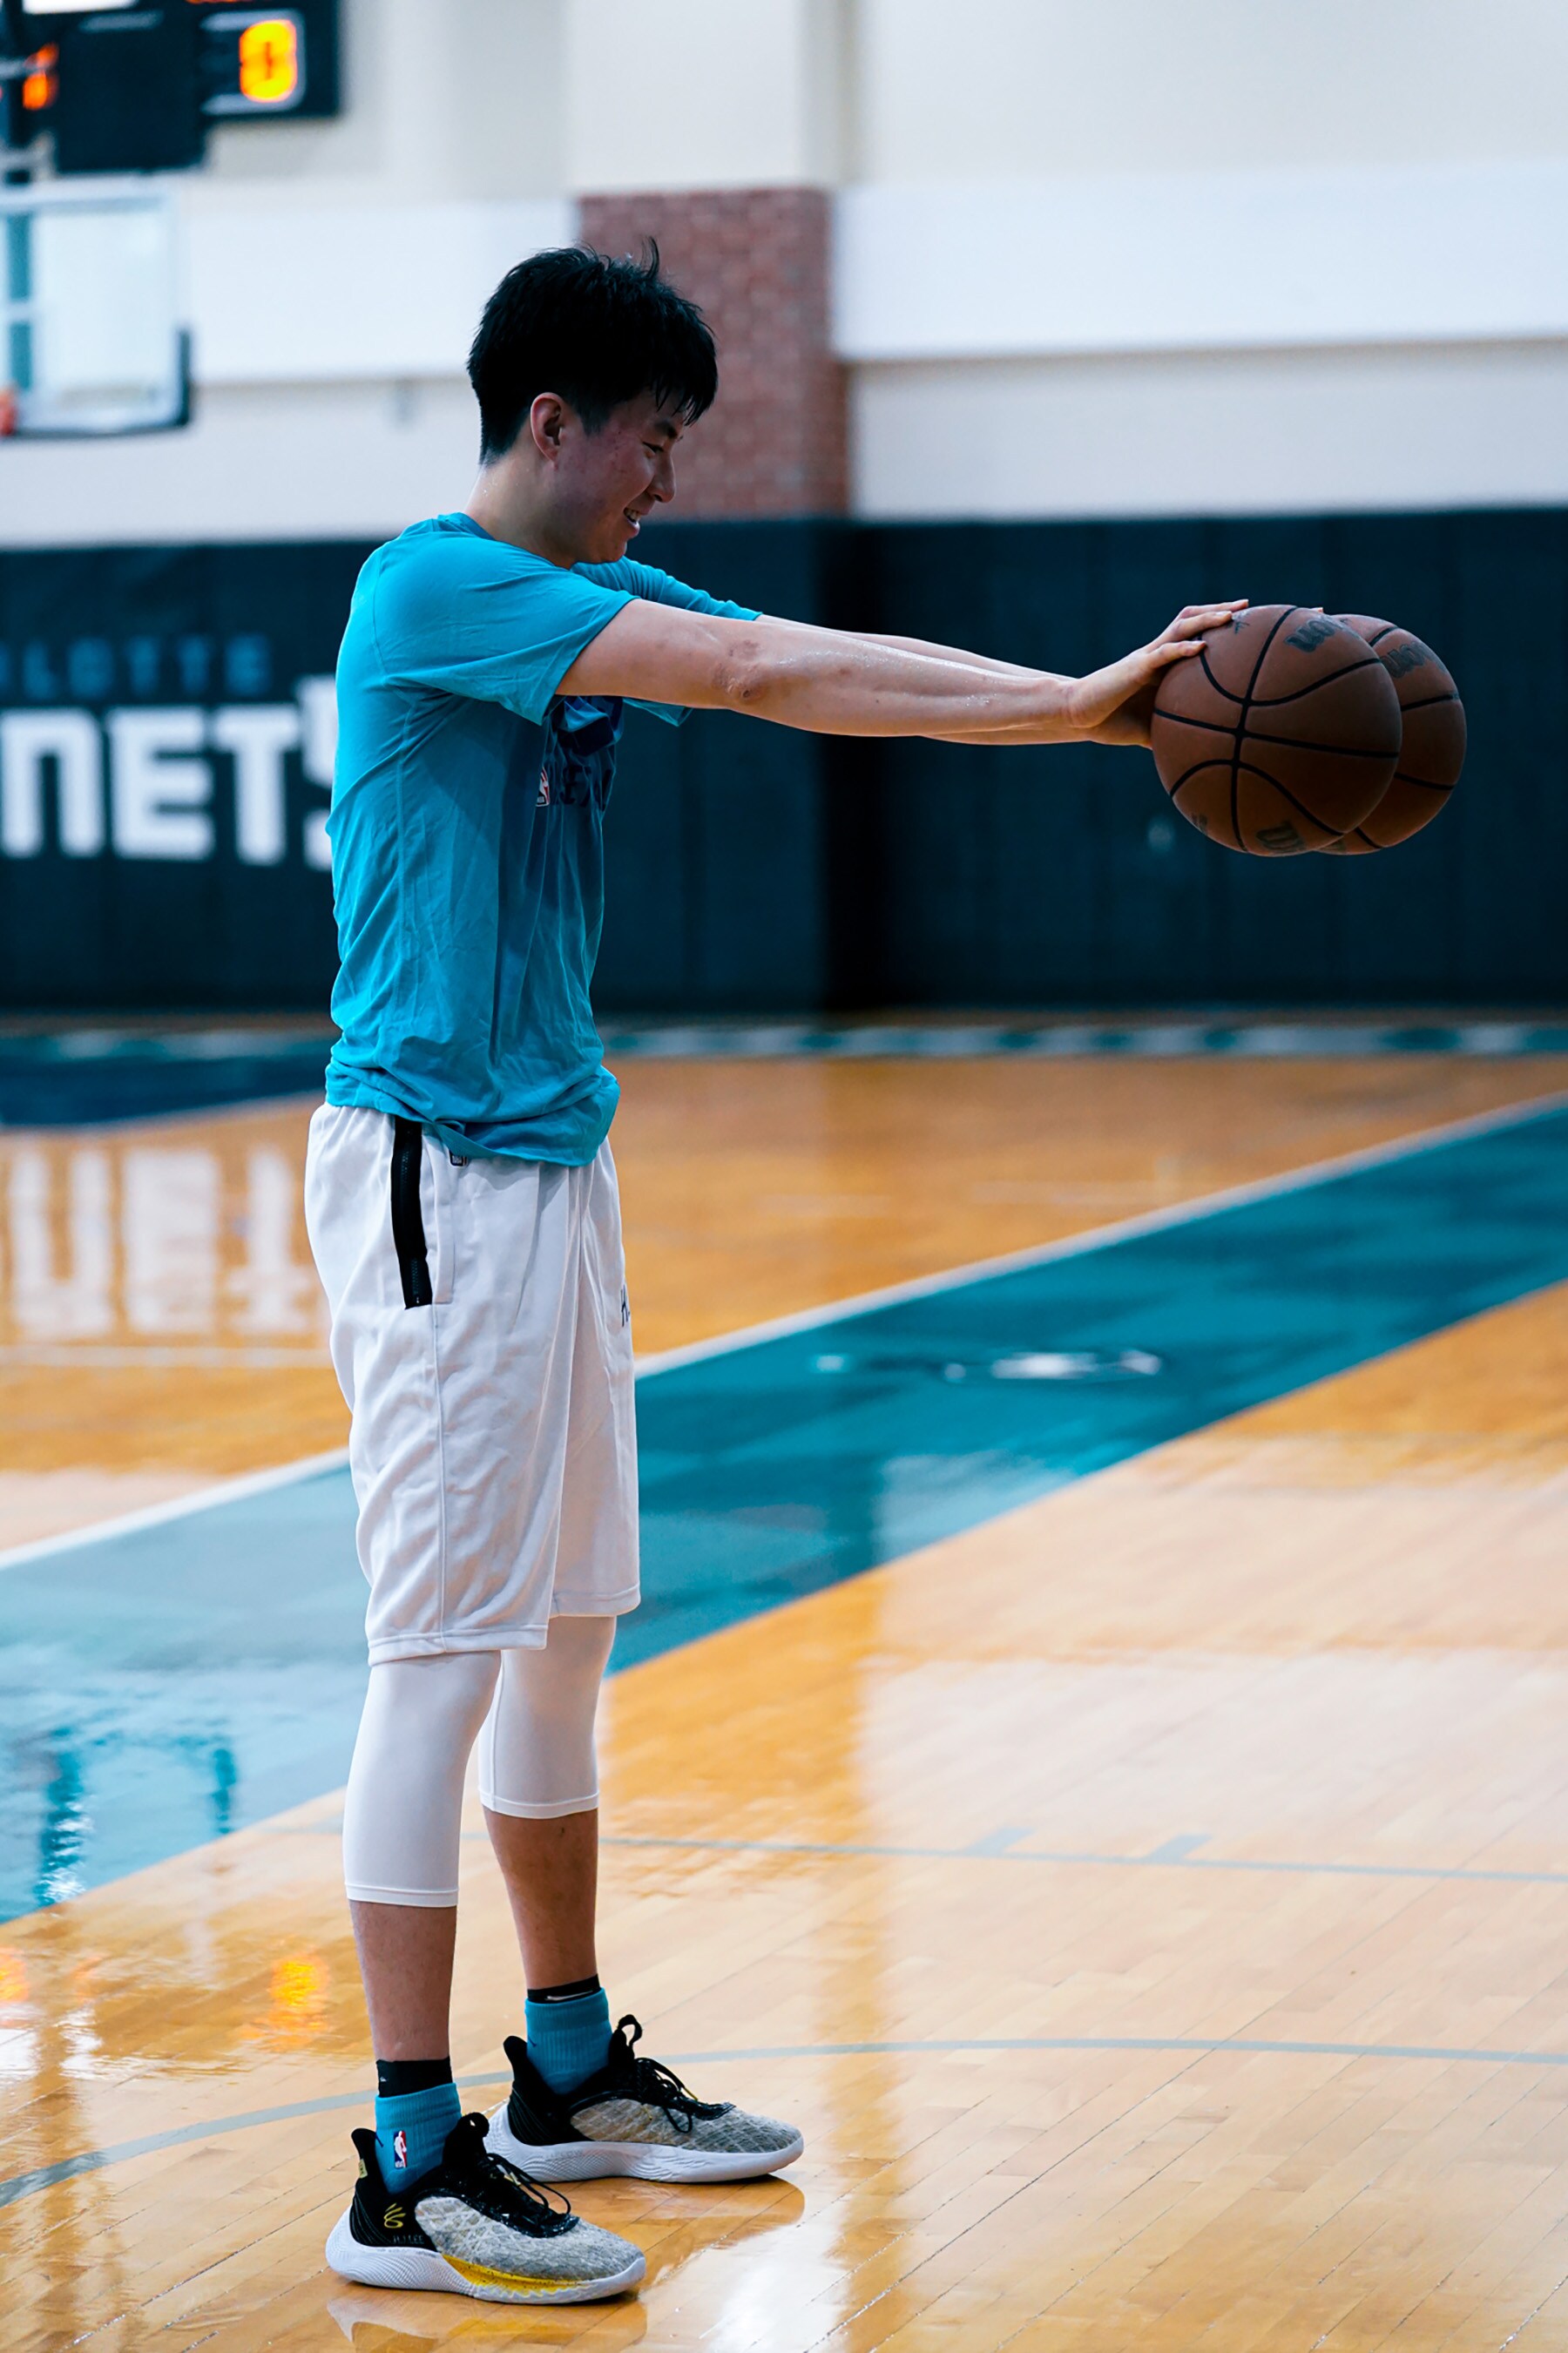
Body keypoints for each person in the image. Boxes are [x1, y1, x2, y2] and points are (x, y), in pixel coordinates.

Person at [306, 241, 1244, 2306]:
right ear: (551, 422)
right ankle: (405, 2156)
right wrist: (1084, 709)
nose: (666, 481)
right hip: (427, 1173)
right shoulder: (435, 586)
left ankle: (560, 2074)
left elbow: (826, 654)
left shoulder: (578, 600)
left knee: (562, 1639)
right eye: (652, 439)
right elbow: (753, 679)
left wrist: (1090, 716)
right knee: (439, 1659)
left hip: (549, 1169)